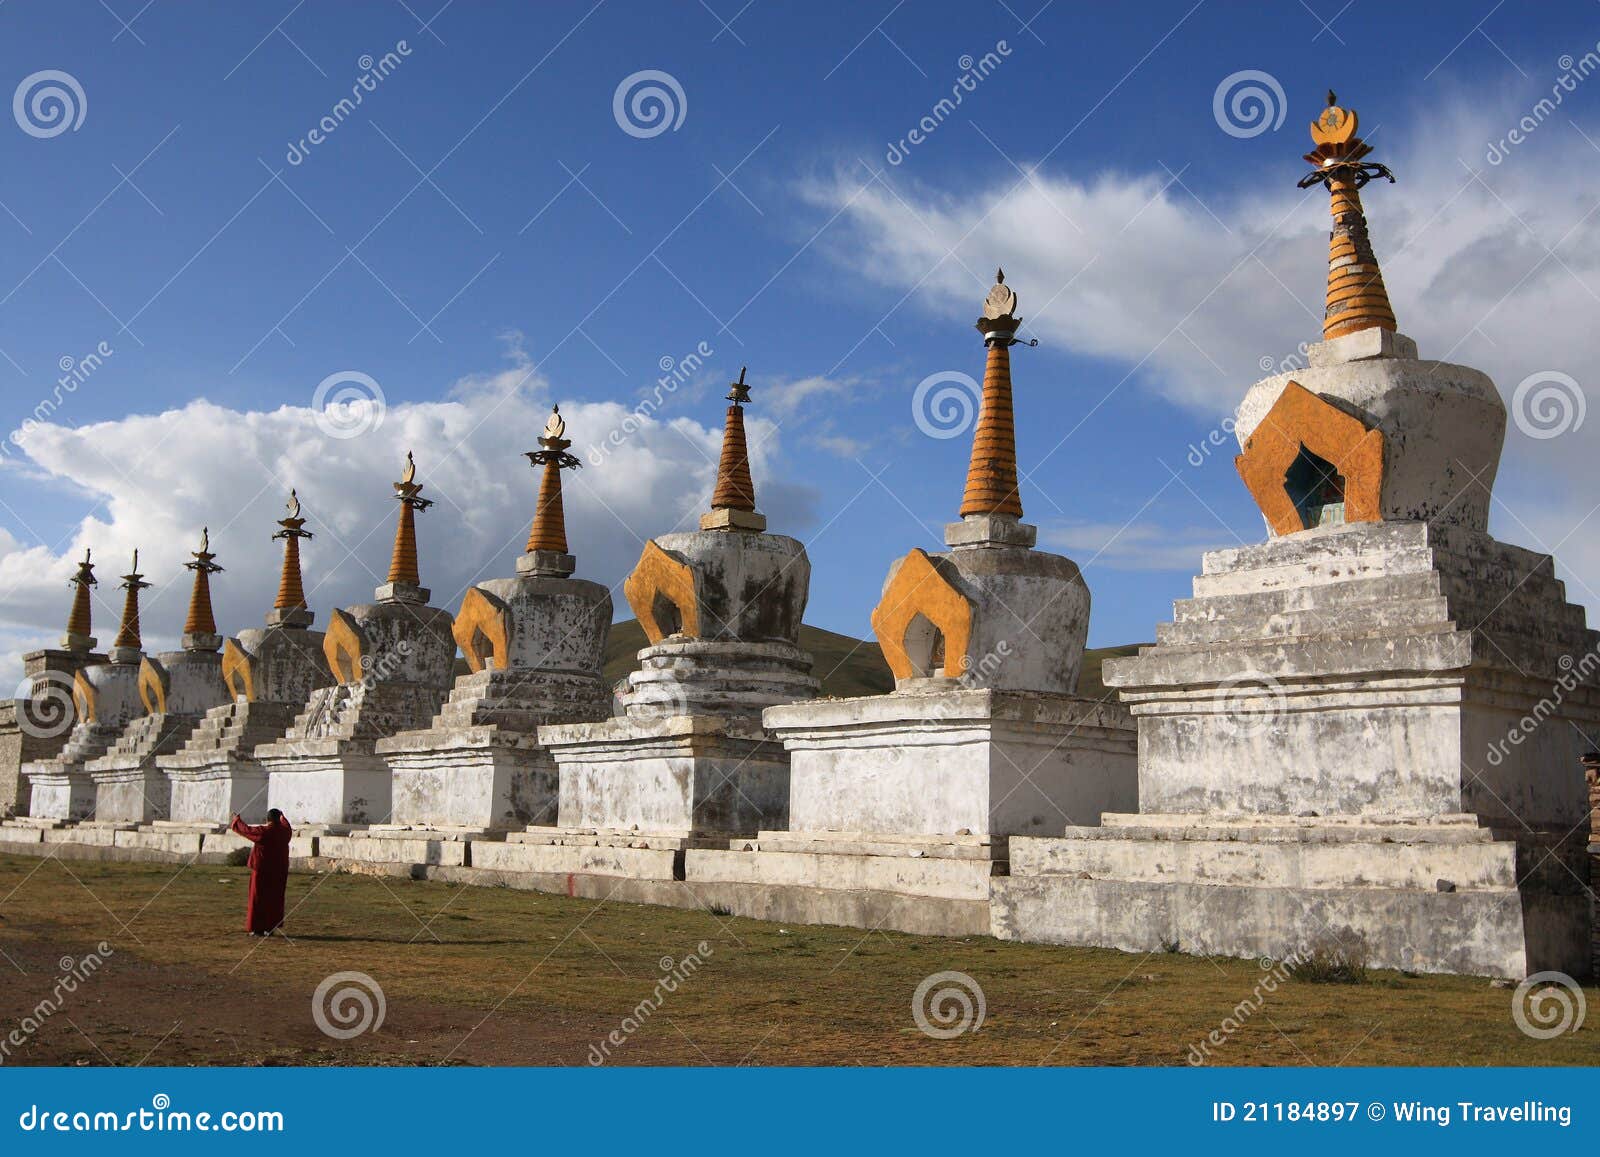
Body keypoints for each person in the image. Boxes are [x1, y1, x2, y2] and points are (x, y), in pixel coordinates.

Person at [229, 808, 292, 936]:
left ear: (267, 820)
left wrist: (236, 820)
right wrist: (283, 817)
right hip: (279, 871)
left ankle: (257, 928)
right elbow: (286, 825)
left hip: (262, 870)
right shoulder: (285, 832)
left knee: (258, 898)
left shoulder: (264, 832)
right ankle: (270, 927)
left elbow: (247, 830)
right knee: (274, 898)